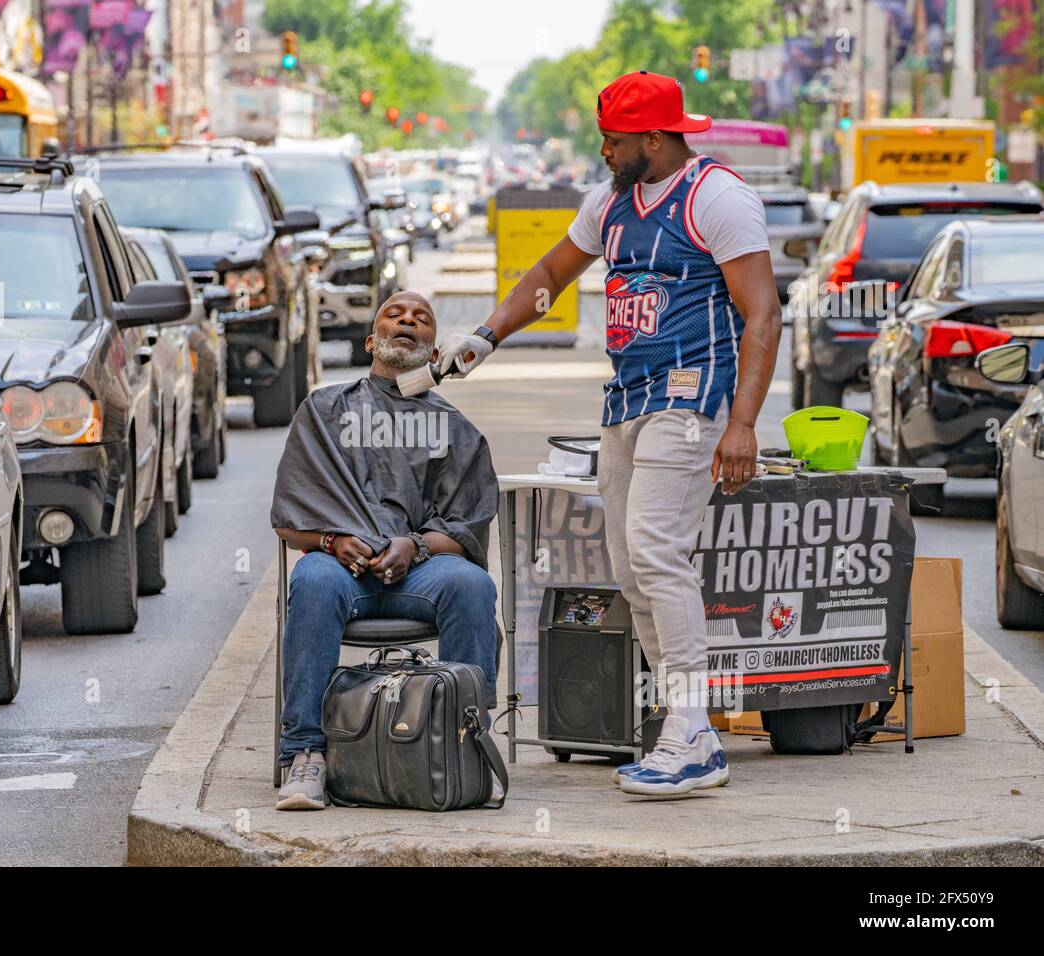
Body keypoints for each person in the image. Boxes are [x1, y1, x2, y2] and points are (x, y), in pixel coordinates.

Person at [439, 71, 781, 797]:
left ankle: (689, 729)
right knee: (630, 568)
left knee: (657, 549)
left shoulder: (717, 198)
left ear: (654, 139)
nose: (602, 151)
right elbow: (551, 276)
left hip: (693, 398)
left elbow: (763, 314)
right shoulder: (613, 202)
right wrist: (487, 335)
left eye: (614, 140)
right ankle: (691, 730)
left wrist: (744, 422)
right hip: (628, 400)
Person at [270, 291, 500, 810]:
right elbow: (289, 522)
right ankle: (304, 754)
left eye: (421, 319)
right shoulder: (325, 409)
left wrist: (415, 546)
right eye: (394, 315)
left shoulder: (453, 427)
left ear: (431, 348)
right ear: (371, 340)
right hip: (341, 574)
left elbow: (467, 528)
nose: (408, 321)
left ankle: (466, 745)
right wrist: (332, 541)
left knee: (473, 584)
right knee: (311, 577)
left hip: (420, 580)